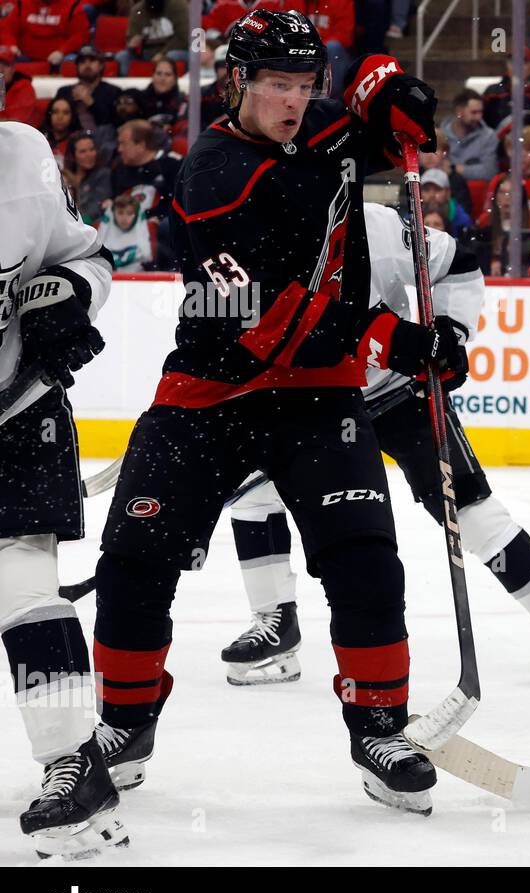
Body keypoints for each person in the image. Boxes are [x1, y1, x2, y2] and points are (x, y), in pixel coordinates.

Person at [89, 8, 448, 816]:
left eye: (302, 84)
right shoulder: (209, 173)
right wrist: (396, 335)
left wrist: (394, 92)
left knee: (365, 560)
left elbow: (378, 117)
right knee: (135, 560)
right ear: (237, 82)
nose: (292, 100)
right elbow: (266, 311)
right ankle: (123, 722)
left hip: (319, 394)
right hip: (213, 390)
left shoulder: (317, 128)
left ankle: (380, 724)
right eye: (275, 84)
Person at [224, 202, 530, 687]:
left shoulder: (375, 224)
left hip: (399, 386)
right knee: (252, 495)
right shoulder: (255, 230)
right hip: (313, 400)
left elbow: (457, 261)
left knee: (464, 507)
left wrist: (450, 331)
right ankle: (275, 625)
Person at [1, 117, 121, 860]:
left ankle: (73, 761)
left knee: (22, 583)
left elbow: (91, 259)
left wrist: (71, 292)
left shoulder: (22, 155)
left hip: (18, 410)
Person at [0, 0, 90, 69]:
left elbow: (80, 35)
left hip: (60, 57)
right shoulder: (22, 3)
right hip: (24, 56)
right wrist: (11, 45)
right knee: (3, 60)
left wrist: (62, 51)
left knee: (71, 62)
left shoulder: (72, 6)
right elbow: (7, 28)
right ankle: (2, 92)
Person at [56, 47, 123, 130]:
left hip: (105, 139)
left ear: (101, 65)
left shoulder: (113, 92)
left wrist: (90, 102)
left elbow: (114, 123)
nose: (87, 65)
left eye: (92, 61)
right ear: (77, 67)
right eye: (82, 62)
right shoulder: (64, 92)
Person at [117, 0, 189, 75]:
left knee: (172, 55)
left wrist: (162, 54)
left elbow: (183, 38)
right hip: (148, 53)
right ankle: (128, 85)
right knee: (122, 57)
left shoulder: (178, 5)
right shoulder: (137, 10)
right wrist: (132, 45)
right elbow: (130, 38)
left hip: (175, 50)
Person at [441, 89, 498, 182]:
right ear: (459, 111)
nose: (479, 117)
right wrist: (473, 169)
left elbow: (489, 172)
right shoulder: (440, 135)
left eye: (481, 112)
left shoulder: (489, 136)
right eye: (474, 112)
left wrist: (454, 168)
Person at [97, 191, 156, 271]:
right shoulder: (102, 252)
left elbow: (146, 255)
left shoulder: (148, 260)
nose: (124, 218)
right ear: (113, 213)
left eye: (130, 213)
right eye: (120, 213)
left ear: (136, 215)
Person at [63, 131, 113, 223]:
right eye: (83, 151)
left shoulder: (103, 175)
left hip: (88, 226)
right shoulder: (65, 177)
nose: (89, 155)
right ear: (73, 156)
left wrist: (78, 223)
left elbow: (96, 206)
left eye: (92, 149)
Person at [419, 168, 472, 239]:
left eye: (437, 189)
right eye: (426, 189)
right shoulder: (410, 218)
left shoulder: (462, 221)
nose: (431, 195)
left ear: (448, 193)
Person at [135, 56, 185, 130]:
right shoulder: (138, 98)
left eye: (168, 74)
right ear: (153, 76)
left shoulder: (183, 101)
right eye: (158, 73)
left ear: (175, 79)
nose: (162, 78)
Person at [0, 49, 40, 125]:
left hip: (18, 135)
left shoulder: (25, 88)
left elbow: (15, 121)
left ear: (13, 68)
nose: (0, 69)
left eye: (5, 65)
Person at [39, 97, 78, 161]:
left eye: (65, 112)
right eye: (55, 112)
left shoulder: (78, 141)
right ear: (49, 115)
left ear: (72, 116)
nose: (60, 117)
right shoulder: (40, 138)